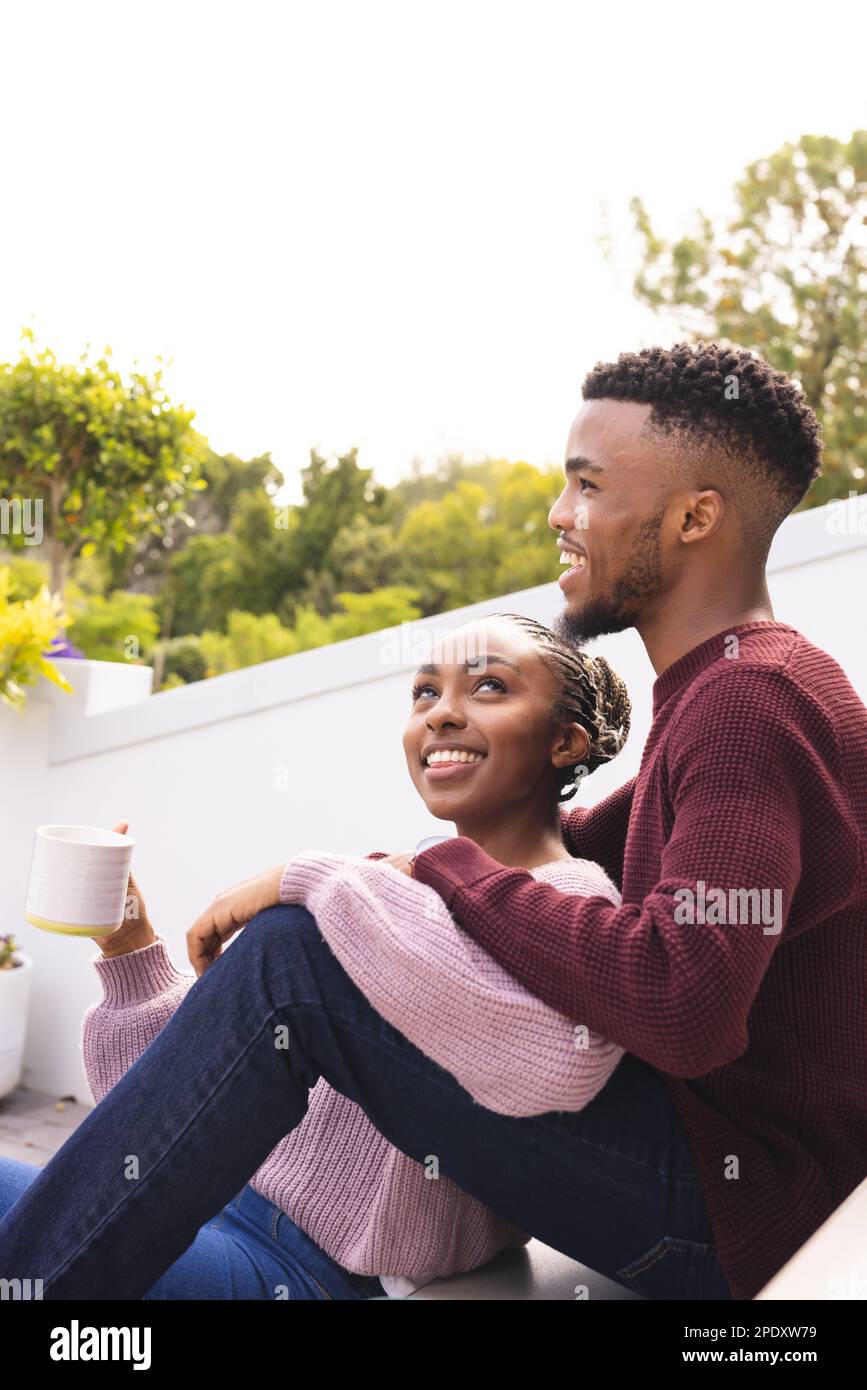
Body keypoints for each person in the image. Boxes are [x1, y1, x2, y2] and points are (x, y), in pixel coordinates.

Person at [2, 340, 864, 1301]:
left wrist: (391, 871)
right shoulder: (730, 691)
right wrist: (393, 874)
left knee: (297, 952)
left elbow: (684, 999)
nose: (557, 515)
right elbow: (580, 845)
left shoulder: (753, 699)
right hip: (704, 1186)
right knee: (311, 936)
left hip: (731, 1214)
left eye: (585, 486)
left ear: (696, 514)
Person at [0, 616, 633, 1300]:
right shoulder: (391, 885)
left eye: (488, 686)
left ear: (565, 741)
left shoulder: (571, 902)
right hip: (203, 1206)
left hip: (304, 1276)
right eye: (424, 693)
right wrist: (129, 946)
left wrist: (312, 874)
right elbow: (175, 1112)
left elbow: (545, 1057)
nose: (442, 713)